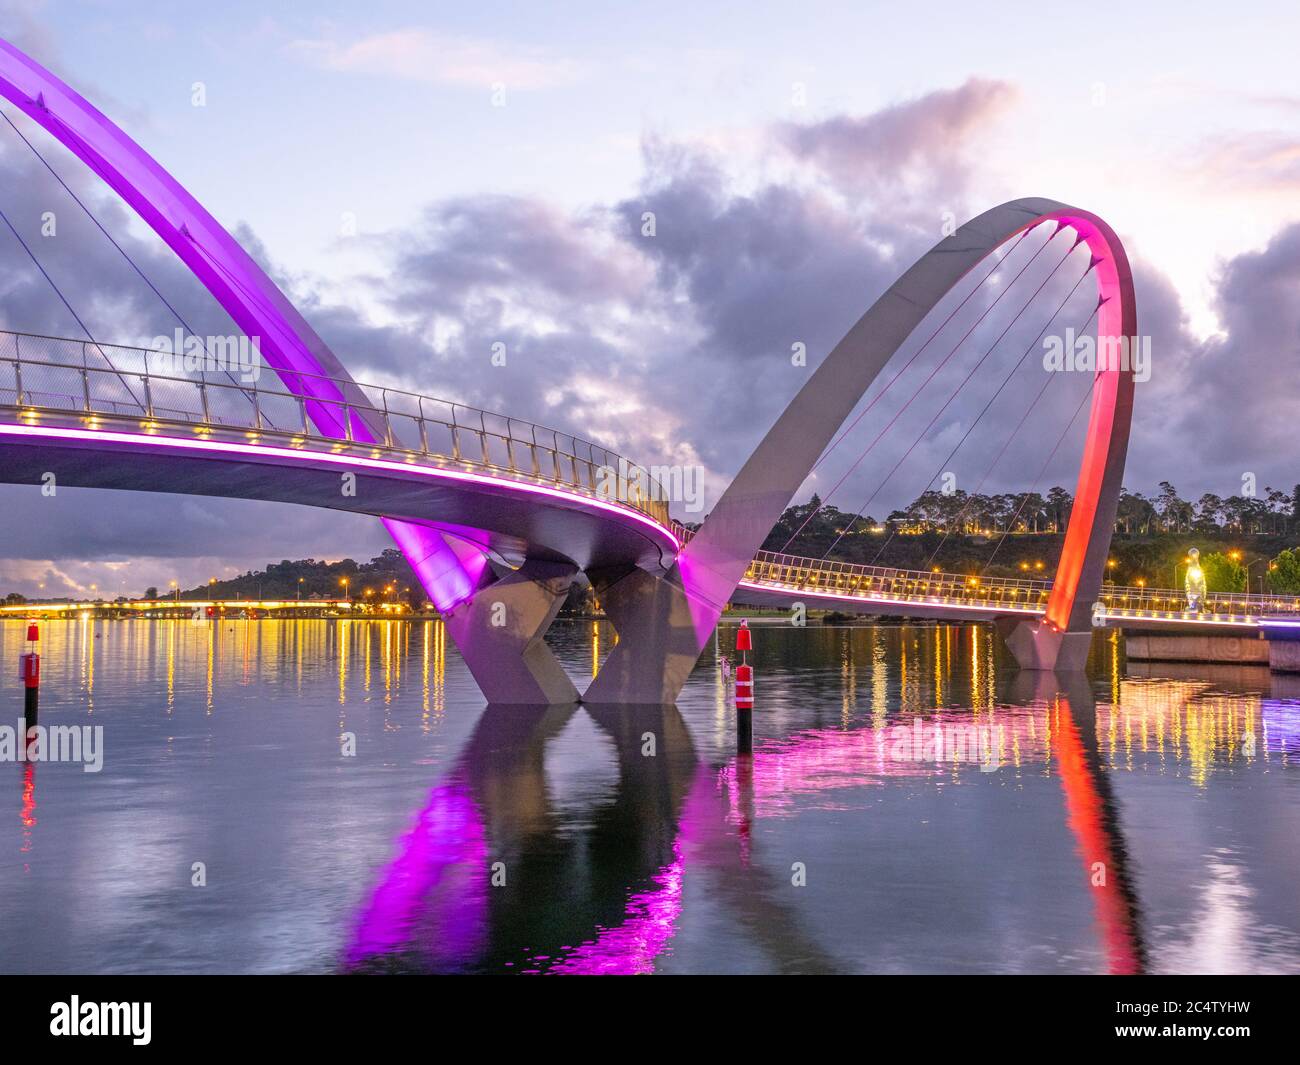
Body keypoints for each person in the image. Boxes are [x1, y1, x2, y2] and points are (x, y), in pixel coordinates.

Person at [1184, 547, 1206, 612]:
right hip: (1191, 590)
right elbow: (1187, 582)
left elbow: (1203, 583)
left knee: (1199, 593)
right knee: (1191, 593)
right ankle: (1192, 605)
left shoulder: (1198, 568)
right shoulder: (1190, 568)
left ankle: (1199, 605)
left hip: (1198, 589)